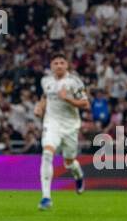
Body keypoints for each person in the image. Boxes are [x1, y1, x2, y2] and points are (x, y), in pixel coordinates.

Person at [34, 55, 89, 209]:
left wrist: (68, 99)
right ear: (51, 66)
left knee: (69, 162)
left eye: (62, 63)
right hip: (51, 124)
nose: (59, 66)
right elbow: (45, 97)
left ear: (67, 66)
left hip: (70, 126)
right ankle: (46, 198)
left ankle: (78, 175)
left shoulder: (74, 82)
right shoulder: (46, 81)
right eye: (55, 63)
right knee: (47, 154)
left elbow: (85, 103)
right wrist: (40, 107)